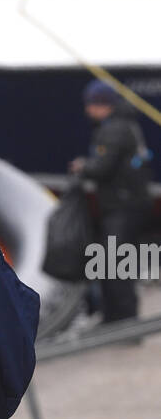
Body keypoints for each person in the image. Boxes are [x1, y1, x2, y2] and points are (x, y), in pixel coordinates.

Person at [69, 78, 154, 325]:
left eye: (91, 105)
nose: (88, 110)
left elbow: (104, 167)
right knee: (112, 262)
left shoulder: (114, 129)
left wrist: (83, 167)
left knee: (116, 264)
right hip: (129, 206)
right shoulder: (127, 124)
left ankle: (124, 321)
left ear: (104, 105)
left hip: (122, 208)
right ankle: (115, 318)